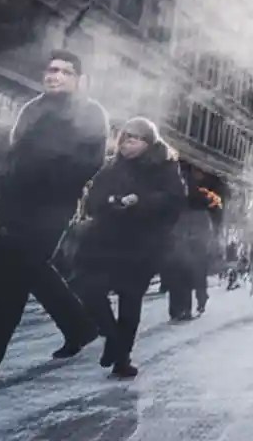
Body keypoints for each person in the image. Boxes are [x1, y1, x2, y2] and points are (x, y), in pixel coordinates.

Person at [0, 50, 104, 394]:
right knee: (31, 271)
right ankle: (79, 326)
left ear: (79, 79)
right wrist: (2, 188)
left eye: (65, 72)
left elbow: (90, 162)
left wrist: (49, 178)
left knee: (9, 282)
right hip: (13, 204)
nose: (55, 76)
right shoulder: (32, 108)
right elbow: (13, 151)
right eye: (51, 69)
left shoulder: (90, 113)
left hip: (51, 208)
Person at [71, 117, 185, 378]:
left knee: (130, 300)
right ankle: (112, 336)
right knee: (88, 287)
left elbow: (174, 200)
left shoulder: (165, 167)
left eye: (135, 139)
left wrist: (140, 201)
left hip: (143, 245)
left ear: (148, 142)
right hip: (107, 240)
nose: (127, 144)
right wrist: (111, 201)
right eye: (125, 138)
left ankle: (122, 358)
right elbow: (94, 198)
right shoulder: (112, 166)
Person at [164, 171, 218, 321]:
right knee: (185, 278)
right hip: (185, 248)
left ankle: (185, 308)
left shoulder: (197, 213)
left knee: (189, 278)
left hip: (193, 248)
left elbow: (205, 232)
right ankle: (182, 309)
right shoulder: (187, 212)